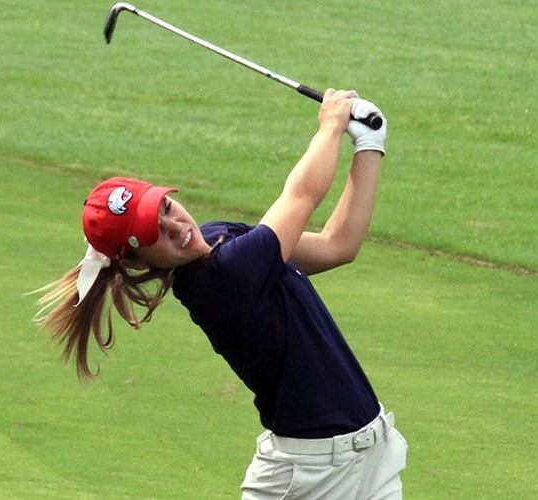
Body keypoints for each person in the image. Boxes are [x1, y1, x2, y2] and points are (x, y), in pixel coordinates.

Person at [33, 89, 408, 498]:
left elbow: (338, 245)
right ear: (138, 262)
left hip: (372, 457)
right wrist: (332, 124)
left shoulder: (218, 237)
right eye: (154, 233)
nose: (177, 227)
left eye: (165, 208)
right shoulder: (226, 277)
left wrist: (369, 145)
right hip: (309, 479)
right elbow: (302, 195)